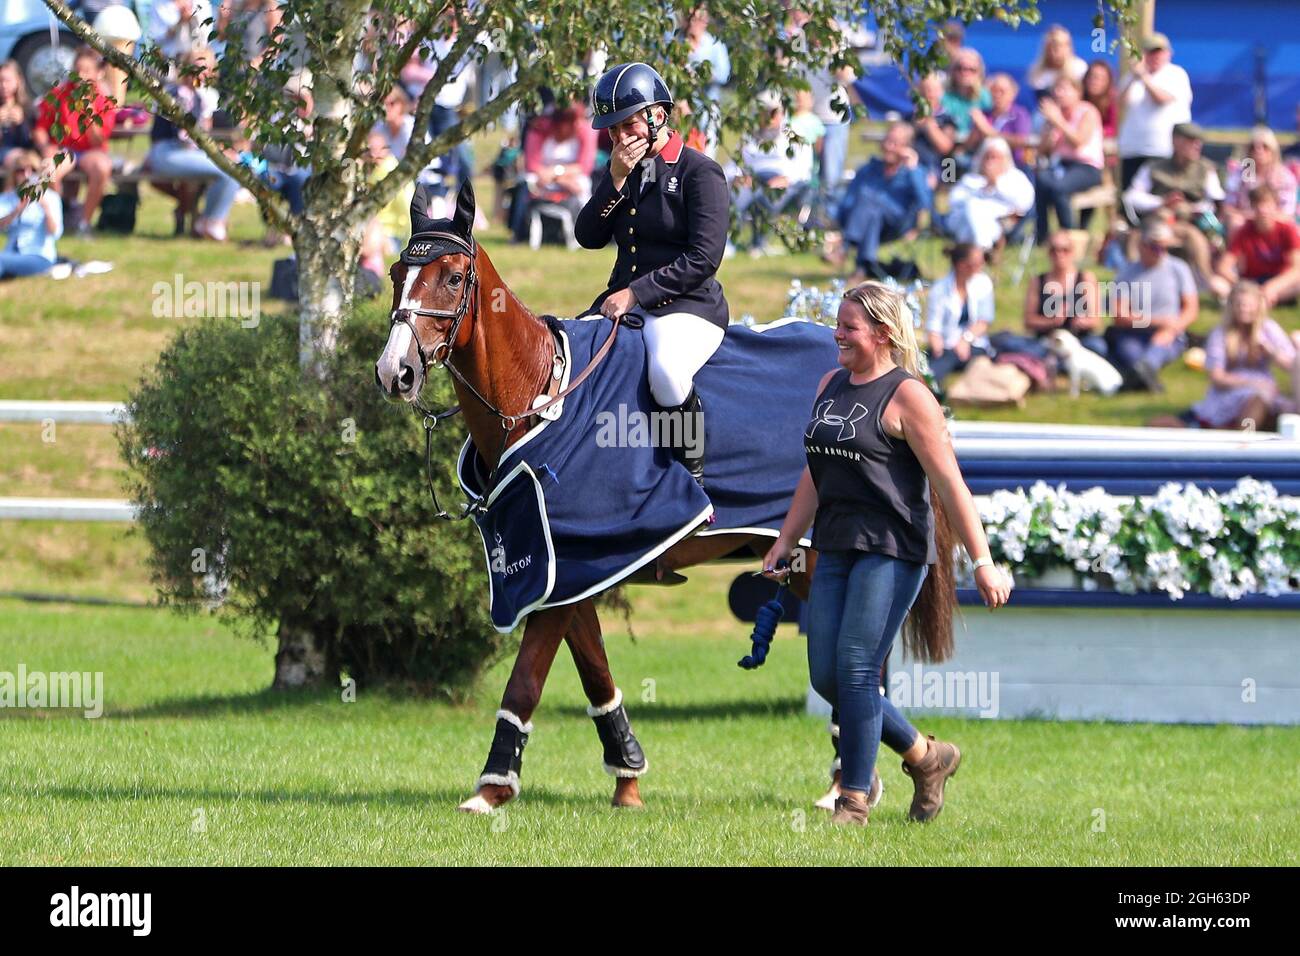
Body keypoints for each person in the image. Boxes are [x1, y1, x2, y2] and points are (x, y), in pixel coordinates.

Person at [763, 281, 1011, 826]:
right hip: (834, 544)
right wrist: (786, 539)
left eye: (849, 327)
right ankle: (927, 757)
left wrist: (984, 560)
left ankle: (853, 800)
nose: (837, 335)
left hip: (894, 549)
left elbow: (951, 485)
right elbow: (815, 470)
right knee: (826, 677)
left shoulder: (909, 396)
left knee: (855, 669)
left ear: (883, 333)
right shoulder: (830, 383)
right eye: (839, 324)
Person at [574, 62, 730, 486]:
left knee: (665, 371)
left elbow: (704, 258)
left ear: (657, 116)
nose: (619, 139)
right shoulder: (623, 171)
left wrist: (636, 293)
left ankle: (691, 474)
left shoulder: (700, 172)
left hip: (687, 308)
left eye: (627, 126)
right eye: (612, 131)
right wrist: (615, 180)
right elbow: (587, 236)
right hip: (624, 301)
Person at [145, 46, 240, 241]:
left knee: (234, 168)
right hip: (167, 152)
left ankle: (208, 222)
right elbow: (182, 137)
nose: (199, 73)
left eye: (204, 68)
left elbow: (222, 131)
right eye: (194, 67)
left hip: (192, 153)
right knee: (228, 170)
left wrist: (222, 149)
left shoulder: (205, 97)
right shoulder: (173, 94)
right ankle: (210, 222)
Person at [1183, 281, 1300, 431]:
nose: (1244, 309)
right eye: (1239, 304)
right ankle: (1243, 437)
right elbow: (1217, 377)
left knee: (1285, 409)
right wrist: (1252, 383)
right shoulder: (1220, 333)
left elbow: (1293, 366)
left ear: (1258, 305)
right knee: (1258, 399)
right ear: (1231, 306)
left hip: (1268, 395)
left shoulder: (1268, 329)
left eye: (1248, 304)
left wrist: (1271, 352)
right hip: (1231, 394)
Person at [1123, 122, 1225, 287]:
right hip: (1155, 223)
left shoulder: (1205, 169)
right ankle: (1131, 283)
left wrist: (1191, 208)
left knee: (1195, 239)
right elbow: (1132, 197)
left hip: (1186, 225)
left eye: (1199, 141)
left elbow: (1216, 201)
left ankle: (1208, 282)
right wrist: (1162, 202)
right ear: (1176, 141)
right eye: (1191, 140)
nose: (1197, 146)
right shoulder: (1154, 167)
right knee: (1136, 238)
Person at [33, 46, 117, 236]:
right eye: (77, 70)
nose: (80, 76)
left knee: (102, 168)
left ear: (97, 73)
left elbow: (98, 141)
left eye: (86, 71)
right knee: (50, 168)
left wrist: (89, 114)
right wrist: (45, 146)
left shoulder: (104, 100)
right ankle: (61, 218)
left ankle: (84, 224)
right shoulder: (59, 94)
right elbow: (40, 128)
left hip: (91, 151)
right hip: (65, 150)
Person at [1106, 220, 1198, 391]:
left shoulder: (1179, 268)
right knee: (1131, 353)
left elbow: (1191, 308)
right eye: (1156, 248)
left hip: (1169, 334)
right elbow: (1120, 316)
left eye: (1165, 248)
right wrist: (1157, 322)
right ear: (1142, 246)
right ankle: (1145, 375)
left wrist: (1174, 326)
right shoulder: (1126, 273)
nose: (1161, 253)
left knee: (1160, 342)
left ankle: (1140, 374)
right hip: (1133, 334)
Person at [835, 122, 930, 278]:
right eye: (887, 141)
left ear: (906, 147)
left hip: (897, 226)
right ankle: (863, 267)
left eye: (895, 143)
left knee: (869, 199)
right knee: (873, 212)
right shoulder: (868, 169)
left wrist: (913, 170)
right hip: (867, 223)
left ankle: (845, 247)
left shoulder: (915, 172)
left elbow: (925, 203)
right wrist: (843, 219)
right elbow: (848, 201)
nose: (889, 147)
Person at [732, 91, 814, 254]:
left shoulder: (795, 134)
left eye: (773, 112)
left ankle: (759, 243)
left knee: (769, 198)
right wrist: (740, 176)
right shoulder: (749, 135)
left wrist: (787, 179)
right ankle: (729, 242)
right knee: (735, 196)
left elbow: (804, 167)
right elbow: (737, 161)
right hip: (753, 179)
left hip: (783, 180)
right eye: (764, 112)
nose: (768, 117)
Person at [1116, 32, 1192, 191]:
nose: (1155, 56)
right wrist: (1134, 76)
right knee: (1130, 197)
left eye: (1159, 52)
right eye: (1151, 52)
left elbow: (1161, 99)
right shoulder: (1132, 76)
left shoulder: (1176, 74)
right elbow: (1120, 102)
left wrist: (1143, 77)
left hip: (1163, 149)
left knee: (1159, 194)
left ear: (1168, 54)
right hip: (1133, 149)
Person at [1016, 229, 1107, 357]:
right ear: (1048, 253)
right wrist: (1052, 321)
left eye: (1065, 249)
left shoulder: (1086, 278)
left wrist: (1081, 321)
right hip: (1047, 339)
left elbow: (1096, 321)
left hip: (1079, 339)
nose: (1059, 254)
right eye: (1054, 250)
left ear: (1073, 252)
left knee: (1098, 347)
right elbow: (1028, 320)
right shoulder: (1037, 281)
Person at [1034, 75, 1104, 239]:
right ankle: (1042, 237)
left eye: (1064, 89)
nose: (1059, 93)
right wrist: (1049, 134)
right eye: (1056, 90)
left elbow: (1078, 141)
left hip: (1087, 168)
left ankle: (1069, 236)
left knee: (1059, 188)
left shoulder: (1088, 111)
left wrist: (1058, 121)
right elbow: (1042, 152)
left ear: (1077, 92)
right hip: (1062, 165)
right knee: (1042, 181)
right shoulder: (1055, 116)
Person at [1212, 185, 1300, 305]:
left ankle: (1253, 301)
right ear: (1252, 207)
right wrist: (1244, 286)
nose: (1263, 210)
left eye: (1267, 205)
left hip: (1279, 280)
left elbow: (1296, 268)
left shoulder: (1287, 229)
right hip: (1252, 281)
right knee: (1217, 284)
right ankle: (1258, 299)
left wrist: (1273, 286)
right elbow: (1223, 266)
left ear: (1276, 206)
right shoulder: (1244, 230)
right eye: (1259, 205)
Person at [944, 137, 1034, 250]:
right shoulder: (972, 179)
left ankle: (980, 249)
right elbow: (954, 200)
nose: (990, 162)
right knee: (972, 208)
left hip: (1002, 221)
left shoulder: (1015, 178)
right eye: (987, 157)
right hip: (968, 221)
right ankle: (979, 250)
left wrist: (996, 184)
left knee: (975, 208)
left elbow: (1025, 203)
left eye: (995, 158)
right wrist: (982, 188)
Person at [926, 242, 995, 385]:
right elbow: (934, 325)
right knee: (940, 355)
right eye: (976, 263)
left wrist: (965, 340)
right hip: (947, 344)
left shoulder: (983, 283)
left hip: (973, 343)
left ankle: (930, 383)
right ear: (961, 265)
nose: (981, 267)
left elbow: (983, 322)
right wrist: (936, 344)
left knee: (949, 356)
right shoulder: (939, 289)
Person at [523, 99, 597, 221]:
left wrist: (557, 174)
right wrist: (556, 178)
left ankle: (587, 224)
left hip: (570, 179)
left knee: (583, 186)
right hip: (543, 180)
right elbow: (532, 165)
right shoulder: (539, 130)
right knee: (528, 183)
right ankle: (521, 229)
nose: (578, 125)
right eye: (573, 121)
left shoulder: (585, 131)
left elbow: (584, 166)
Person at [1221, 127, 1298, 234]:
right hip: (1246, 222)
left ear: (1273, 151)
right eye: (1253, 147)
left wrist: (1264, 217)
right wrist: (1253, 217)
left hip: (1276, 223)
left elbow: (1287, 213)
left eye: (1265, 147)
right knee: (1235, 222)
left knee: (1291, 228)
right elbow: (1228, 208)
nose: (1259, 150)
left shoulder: (1285, 177)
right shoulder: (1240, 173)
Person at [0, 150, 62, 277]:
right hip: (11, 252)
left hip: (38, 255)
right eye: (21, 170)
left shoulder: (51, 198)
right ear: (14, 174)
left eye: (32, 170)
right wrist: (17, 210)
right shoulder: (7, 198)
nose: (26, 174)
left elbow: (55, 233)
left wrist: (46, 209)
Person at [681, 5, 730, 158]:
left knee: (706, 156)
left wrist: (703, 75)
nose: (694, 24)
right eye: (692, 19)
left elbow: (724, 74)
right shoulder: (678, 42)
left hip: (707, 108)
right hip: (682, 108)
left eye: (699, 20)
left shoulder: (714, 44)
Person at [966, 72, 1032, 168]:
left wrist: (987, 130)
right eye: (994, 91)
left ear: (1013, 94)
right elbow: (969, 146)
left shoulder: (1020, 114)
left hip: (1012, 166)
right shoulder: (984, 114)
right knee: (953, 164)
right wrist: (976, 129)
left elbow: (1021, 142)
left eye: (1002, 91)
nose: (997, 95)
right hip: (983, 166)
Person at [911, 73, 956, 187]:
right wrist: (915, 125)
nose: (928, 94)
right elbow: (904, 142)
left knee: (950, 163)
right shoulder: (910, 117)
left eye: (932, 90)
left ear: (940, 92)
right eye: (924, 89)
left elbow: (945, 147)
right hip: (914, 163)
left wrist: (929, 125)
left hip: (939, 164)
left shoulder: (946, 118)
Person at [941, 48, 992, 143]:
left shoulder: (985, 97)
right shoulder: (944, 97)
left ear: (979, 73)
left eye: (971, 69)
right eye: (959, 68)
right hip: (951, 146)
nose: (965, 73)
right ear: (952, 71)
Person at [1025, 24, 1087, 98]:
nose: (1053, 51)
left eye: (1058, 46)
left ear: (1068, 47)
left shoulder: (1079, 68)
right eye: (1050, 47)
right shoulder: (1036, 71)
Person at [0, 61, 33, 168]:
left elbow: (28, 143)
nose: (4, 85)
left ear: (18, 81)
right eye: (0, 80)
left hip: (23, 153)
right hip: (7, 154)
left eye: (7, 80)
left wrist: (21, 123)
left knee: (26, 160)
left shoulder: (27, 107)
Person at [1083, 59, 1118, 139]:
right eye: (1092, 77)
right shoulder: (1079, 98)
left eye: (1101, 79)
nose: (1095, 82)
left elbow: (1113, 128)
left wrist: (1098, 131)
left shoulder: (1112, 102)